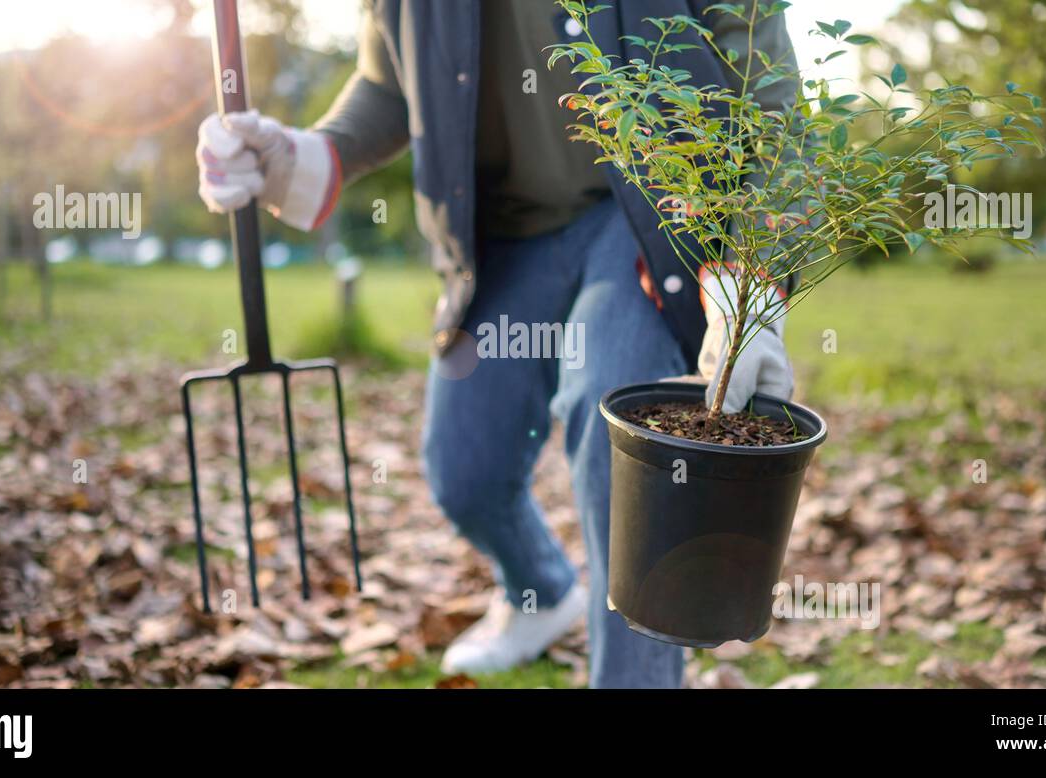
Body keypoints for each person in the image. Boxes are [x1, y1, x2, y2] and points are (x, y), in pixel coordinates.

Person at [195, 0, 799, 689]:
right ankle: (539, 591)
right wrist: (298, 158)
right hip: (505, 232)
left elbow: (770, 95)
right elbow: (393, 82)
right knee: (464, 472)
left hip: (642, 219)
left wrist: (752, 276)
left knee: (619, 440)